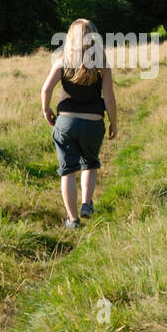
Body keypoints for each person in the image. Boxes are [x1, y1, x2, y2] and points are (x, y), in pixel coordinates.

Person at [40, 19, 118, 228]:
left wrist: (46, 109)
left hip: (66, 123)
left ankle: (72, 220)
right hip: (93, 124)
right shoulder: (102, 65)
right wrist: (114, 122)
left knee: (68, 171)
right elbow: (109, 99)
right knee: (90, 163)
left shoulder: (62, 62)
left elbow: (46, 90)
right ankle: (86, 204)